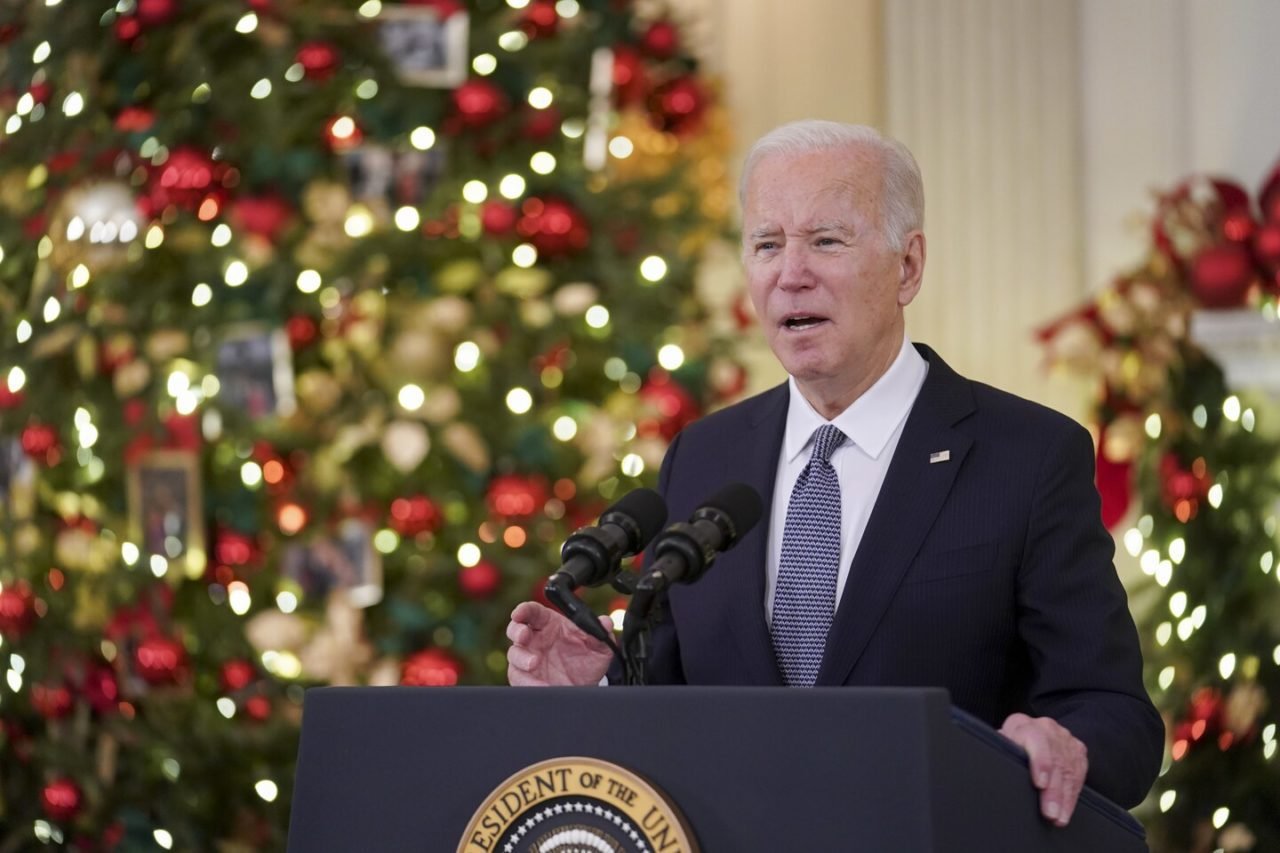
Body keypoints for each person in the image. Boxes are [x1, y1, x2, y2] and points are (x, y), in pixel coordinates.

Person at [506, 120, 1164, 826]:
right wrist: (600, 689)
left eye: (826, 241)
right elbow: (674, 703)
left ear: (907, 267)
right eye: (767, 244)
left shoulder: (1027, 457)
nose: (790, 274)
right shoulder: (704, 456)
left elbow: (1118, 717)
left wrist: (1063, 746)